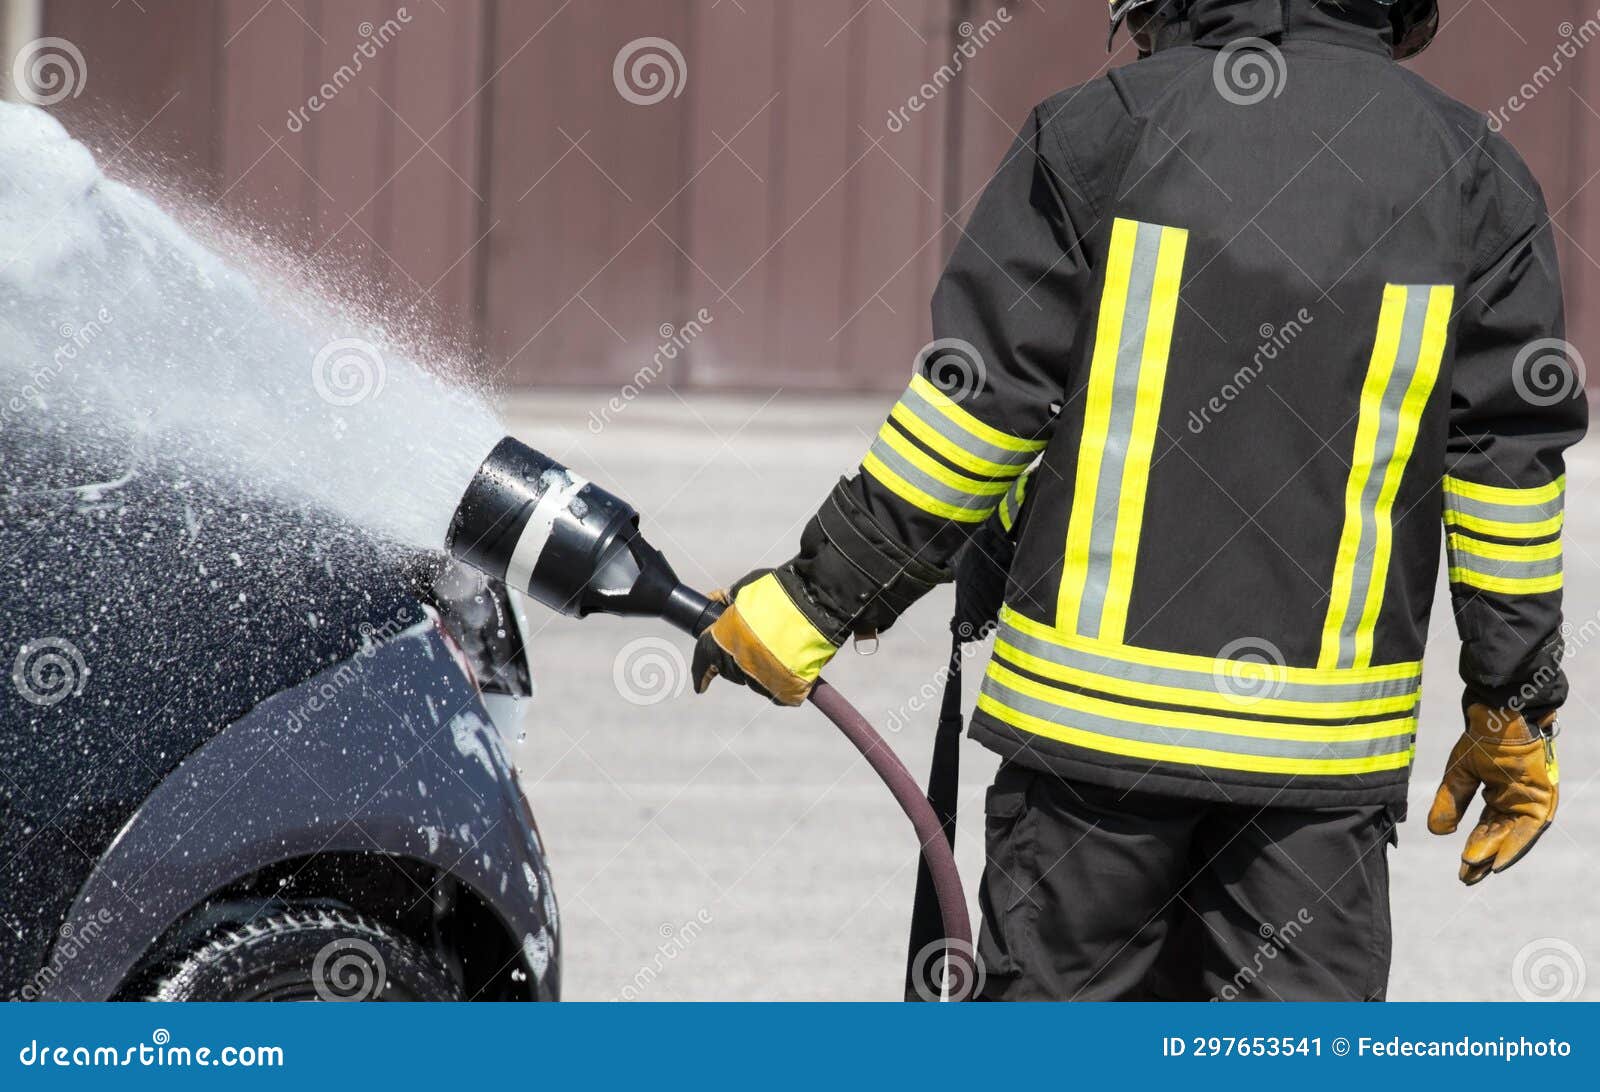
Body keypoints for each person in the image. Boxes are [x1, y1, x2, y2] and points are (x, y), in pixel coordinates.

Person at [692, 0, 1586, 1001]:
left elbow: (972, 420)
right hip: (1314, 786)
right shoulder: (1471, 175)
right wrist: (1512, 704)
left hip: (1088, 768)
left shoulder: (1097, 132)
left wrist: (812, 602)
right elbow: (1504, 481)